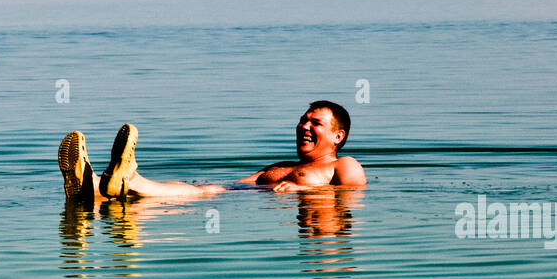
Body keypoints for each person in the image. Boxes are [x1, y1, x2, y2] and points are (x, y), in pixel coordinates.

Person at [57, 101, 366, 204]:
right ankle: (94, 185)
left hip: (248, 204)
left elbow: (353, 194)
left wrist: (305, 192)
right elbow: (241, 184)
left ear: (338, 135)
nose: (304, 126)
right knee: (202, 189)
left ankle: (123, 179)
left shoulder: (344, 164)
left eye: (316, 122)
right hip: (238, 196)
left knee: (205, 193)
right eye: (303, 120)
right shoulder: (281, 166)